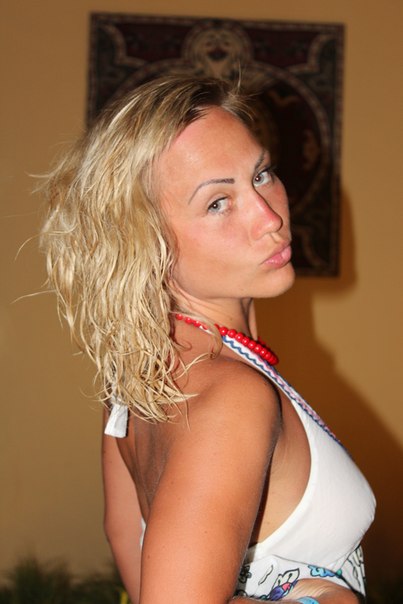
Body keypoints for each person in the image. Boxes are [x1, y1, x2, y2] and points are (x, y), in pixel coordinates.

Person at [41, 75, 375, 603]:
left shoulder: (137, 373)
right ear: (145, 241)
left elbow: (126, 536)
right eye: (218, 202)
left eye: (261, 174)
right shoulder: (232, 396)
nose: (270, 218)